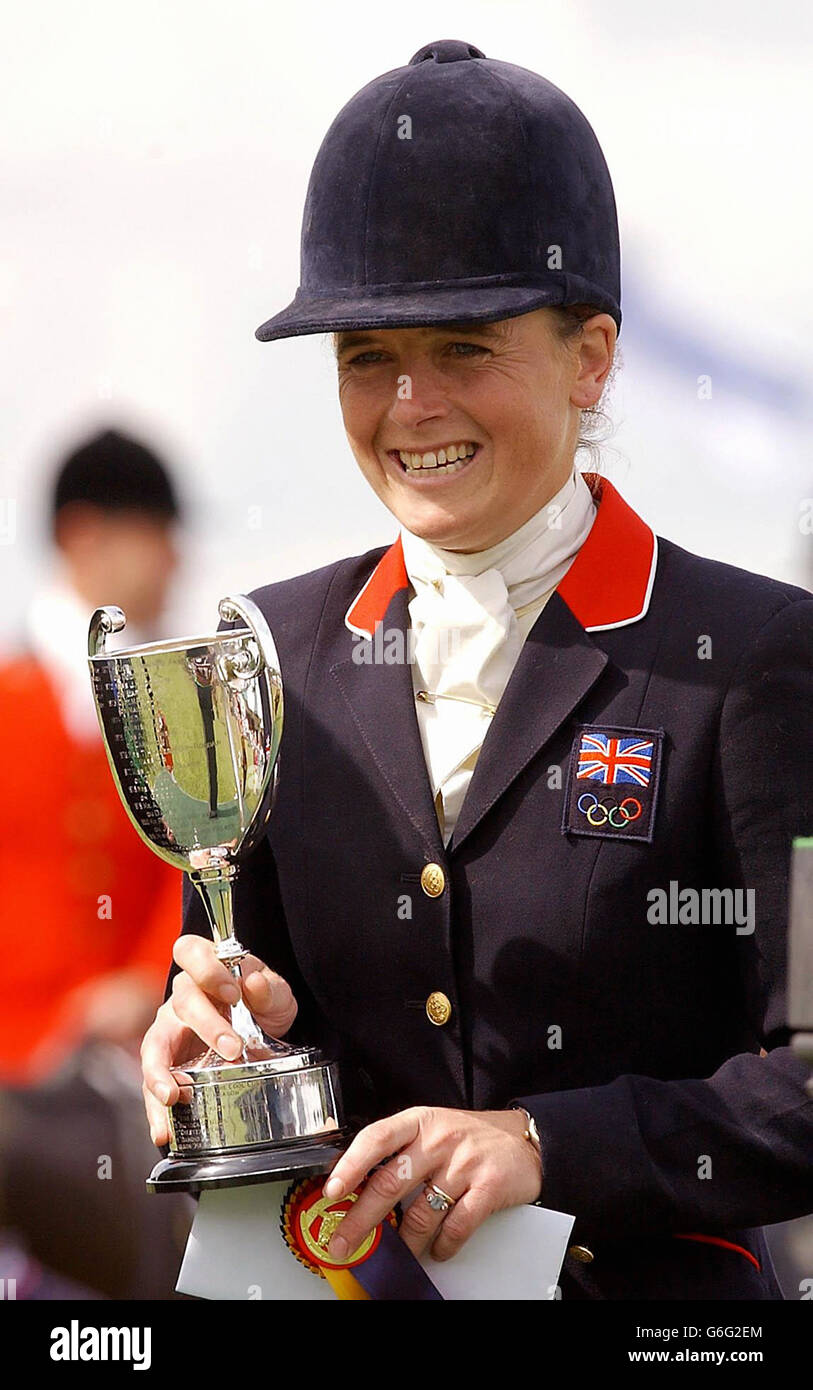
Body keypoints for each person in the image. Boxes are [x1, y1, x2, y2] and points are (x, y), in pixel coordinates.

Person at [140, 40, 813, 1300]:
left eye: (465, 348)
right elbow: (264, 1054)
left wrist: (552, 1145)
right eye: (365, 357)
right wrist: (235, 1049)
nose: (410, 404)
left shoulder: (758, 658)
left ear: (592, 357)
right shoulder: (272, 658)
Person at [0, 427, 184, 1082]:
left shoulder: (175, 709)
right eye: (156, 534)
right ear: (86, 536)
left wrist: (145, 982)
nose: (174, 561)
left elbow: (189, 875)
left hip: (142, 1065)